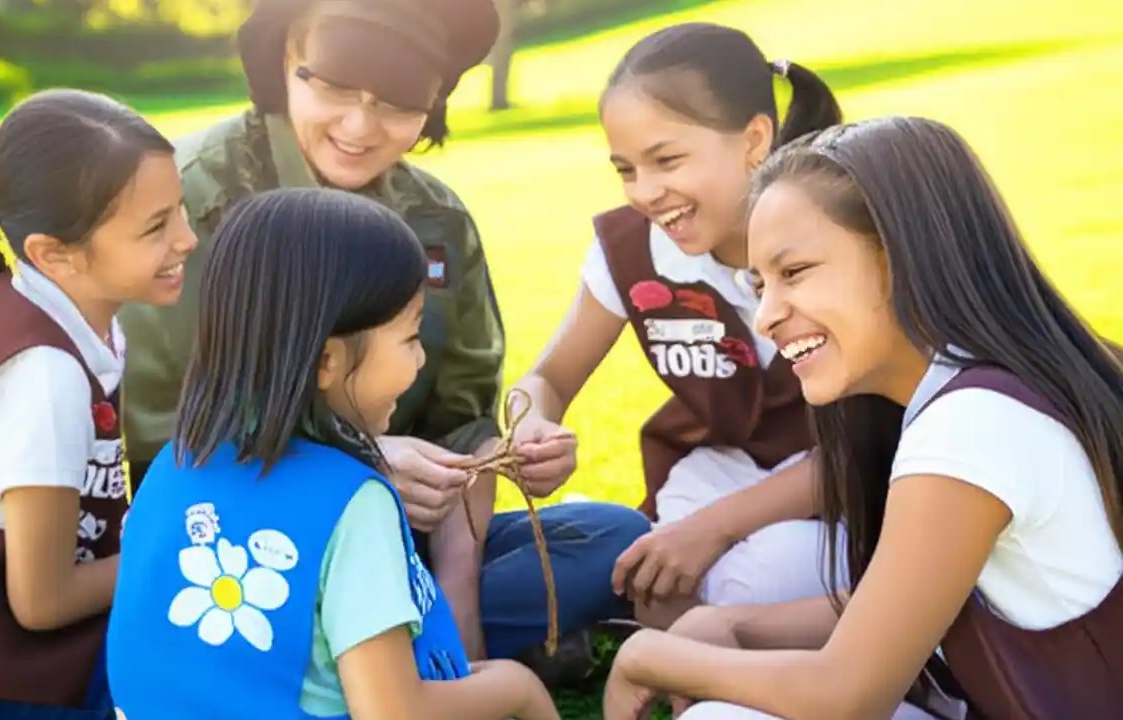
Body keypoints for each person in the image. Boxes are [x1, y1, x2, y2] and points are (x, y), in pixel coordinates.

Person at [117, 0, 650, 671]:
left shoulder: (438, 222)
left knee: (615, 539)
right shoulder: (192, 204)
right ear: (285, 60)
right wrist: (348, 465)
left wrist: (480, 514)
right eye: (335, 89)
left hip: (395, 535)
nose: (359, 127)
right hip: (229, 540)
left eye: (397, 103)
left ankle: (408, 639)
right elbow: (153, 437)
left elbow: (462, 418)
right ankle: (393, 648)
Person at [602, 116, 1123, 720]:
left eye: (793, 273)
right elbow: (918, 600)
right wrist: (735, 626)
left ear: (904, 255)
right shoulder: (991, 385)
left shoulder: (975, 426)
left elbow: (846, 695)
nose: (767, 316)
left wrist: (650, 657)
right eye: (758, 283)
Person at [106, 188, 560, 720]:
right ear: (326, 361)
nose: (419, 360)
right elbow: (393, 712)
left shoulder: (176, 465)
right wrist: (517, 687)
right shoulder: (353, 501)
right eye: (411, 337)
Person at [508, 23, 844, 629]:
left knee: (759, 576)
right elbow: (549, 377)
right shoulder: (632, 250)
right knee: (661, 580)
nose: (645, 192)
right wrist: (530, 422)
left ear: (754, 140)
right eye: (625, 169)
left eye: (666, 160)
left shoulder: (840, 236)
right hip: (710, 475)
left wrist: (712, 529)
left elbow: (880, 443)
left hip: (845, 487)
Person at [0, 88, 197, 719]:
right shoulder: (44, 376)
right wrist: (174, 554)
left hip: (34, 654)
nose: (188, 238)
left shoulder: (69, 313)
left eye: (181, 210)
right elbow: (43, 600)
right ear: (54, 254)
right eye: (156, 226)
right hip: (0, 682)